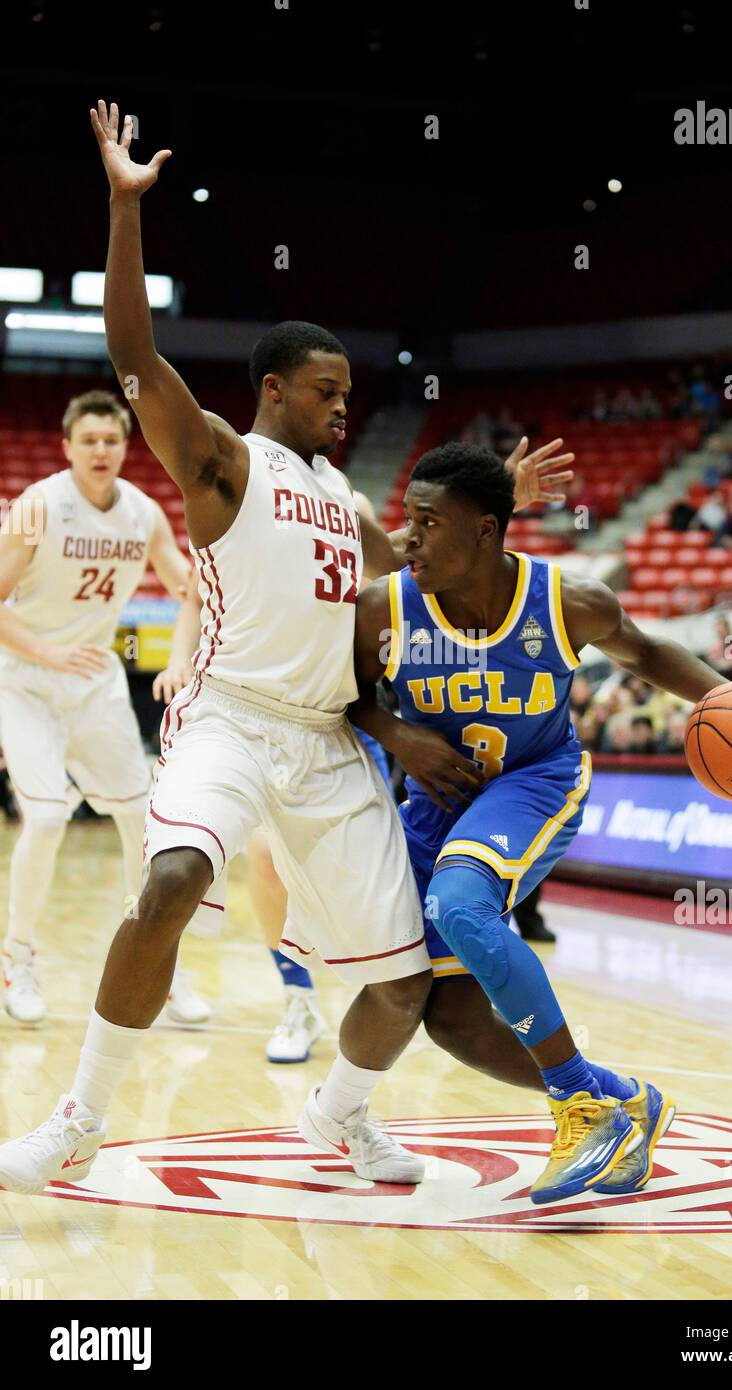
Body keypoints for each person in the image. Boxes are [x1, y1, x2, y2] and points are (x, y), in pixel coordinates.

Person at [0, 101, 571, 1197]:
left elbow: (420, 569)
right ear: (273, 389)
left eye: (349, 395)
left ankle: (338, 1114)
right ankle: (79, 1119)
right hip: (228, 716)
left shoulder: (344, 502)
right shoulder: (223, 462)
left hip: (329, 741)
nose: (343, 408)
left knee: (402, 978)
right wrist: (125, 210)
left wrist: (500, 496)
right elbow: (132, 352)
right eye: (326, 392)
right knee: (172, 876)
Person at [349, 442, 728, 1204]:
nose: (410, 538)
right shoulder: (383, 607)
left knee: (461, 904)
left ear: (486, 531)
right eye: (408, 521)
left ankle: (579, 1107)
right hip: (439, 801)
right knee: (453, 1020)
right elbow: (352, 697)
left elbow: (647, 651)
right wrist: (399, 736)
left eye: (428, 522)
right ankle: (626, 1102)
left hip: (534, 780)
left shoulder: (567, 601)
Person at [0, 388, 207, 1026]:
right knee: (45, 818)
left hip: (94, 680)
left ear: (124, 447)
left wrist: (183, 655)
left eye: (111, 440)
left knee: (141, 819)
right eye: (88, 440)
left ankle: (154, 963)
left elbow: (190, 588)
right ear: (67, 447)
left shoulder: (143, 512)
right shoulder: (37, 507)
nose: (100, 450)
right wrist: (47, 651)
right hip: (24, 678)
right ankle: (16, 957)